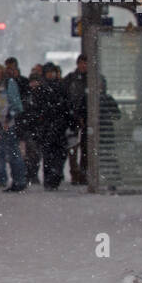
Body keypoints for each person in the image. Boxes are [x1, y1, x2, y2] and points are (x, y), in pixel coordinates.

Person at [0, 63, 27, 192]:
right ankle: (12, 180)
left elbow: (17, 105)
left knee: (14, 153)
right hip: (1, 124)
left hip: (10, 124)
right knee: (5, 153)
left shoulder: (10, 84)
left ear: (0, 73)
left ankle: (19, 181)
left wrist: (8, 119)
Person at [37, 63, 73, 189]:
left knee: (57, 154)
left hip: (58, 127)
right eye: (48, 72)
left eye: (52, 72)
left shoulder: (61, 87)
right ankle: (50, 179)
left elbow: (68, 106)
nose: (51, 75)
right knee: (49, 155)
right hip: (48, 128)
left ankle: (54, 177)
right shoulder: (42, 89)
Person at [63, 54, 88, 185]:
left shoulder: (92, 79)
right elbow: (65, 98)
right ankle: (75, 173)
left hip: (86, 118)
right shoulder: (70, 79)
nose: (84, 66)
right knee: (73, 147)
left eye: (86, 63)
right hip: (72, 118)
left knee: (85, 147)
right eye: (82, 63)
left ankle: (83, 174)